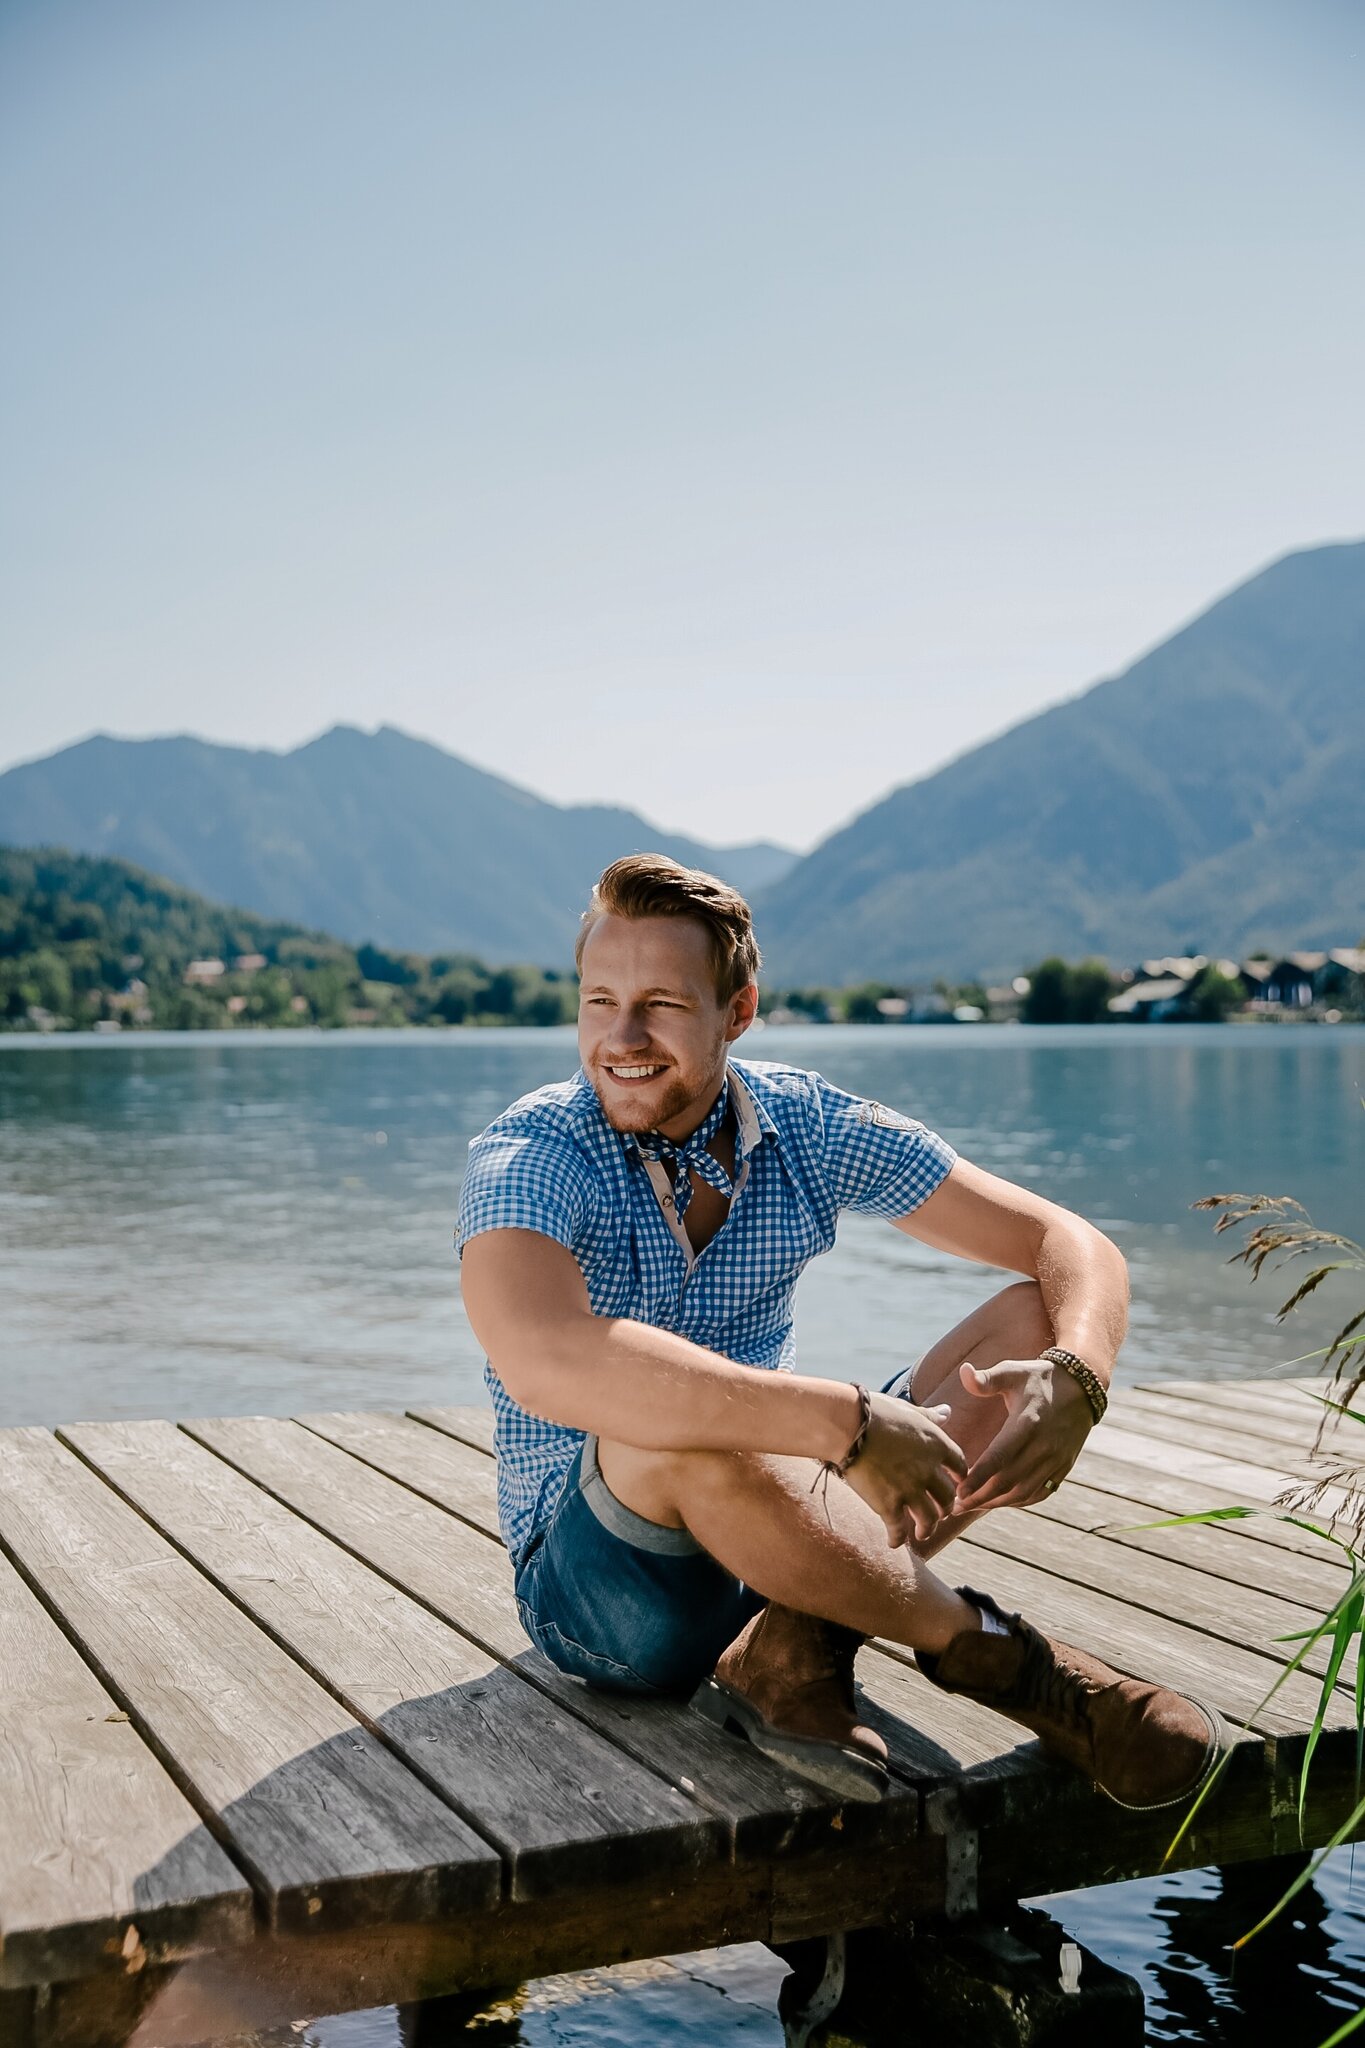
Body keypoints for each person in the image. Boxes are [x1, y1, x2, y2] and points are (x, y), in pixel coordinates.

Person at [456, 854, 1223, 1809]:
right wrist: (846, 1421)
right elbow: (544, 1361)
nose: (622, 1038)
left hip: (780, 1521)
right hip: (605, 1598)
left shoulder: (803, 1123)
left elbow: (1065, 1242)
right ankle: (1012, 1665)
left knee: (1034, 1315)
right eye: (600, 1001)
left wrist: (1079, 1371)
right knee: (681, 1420)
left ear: (737, 1013)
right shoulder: (532, 1151)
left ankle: (792, 1644)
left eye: (661, 1004)